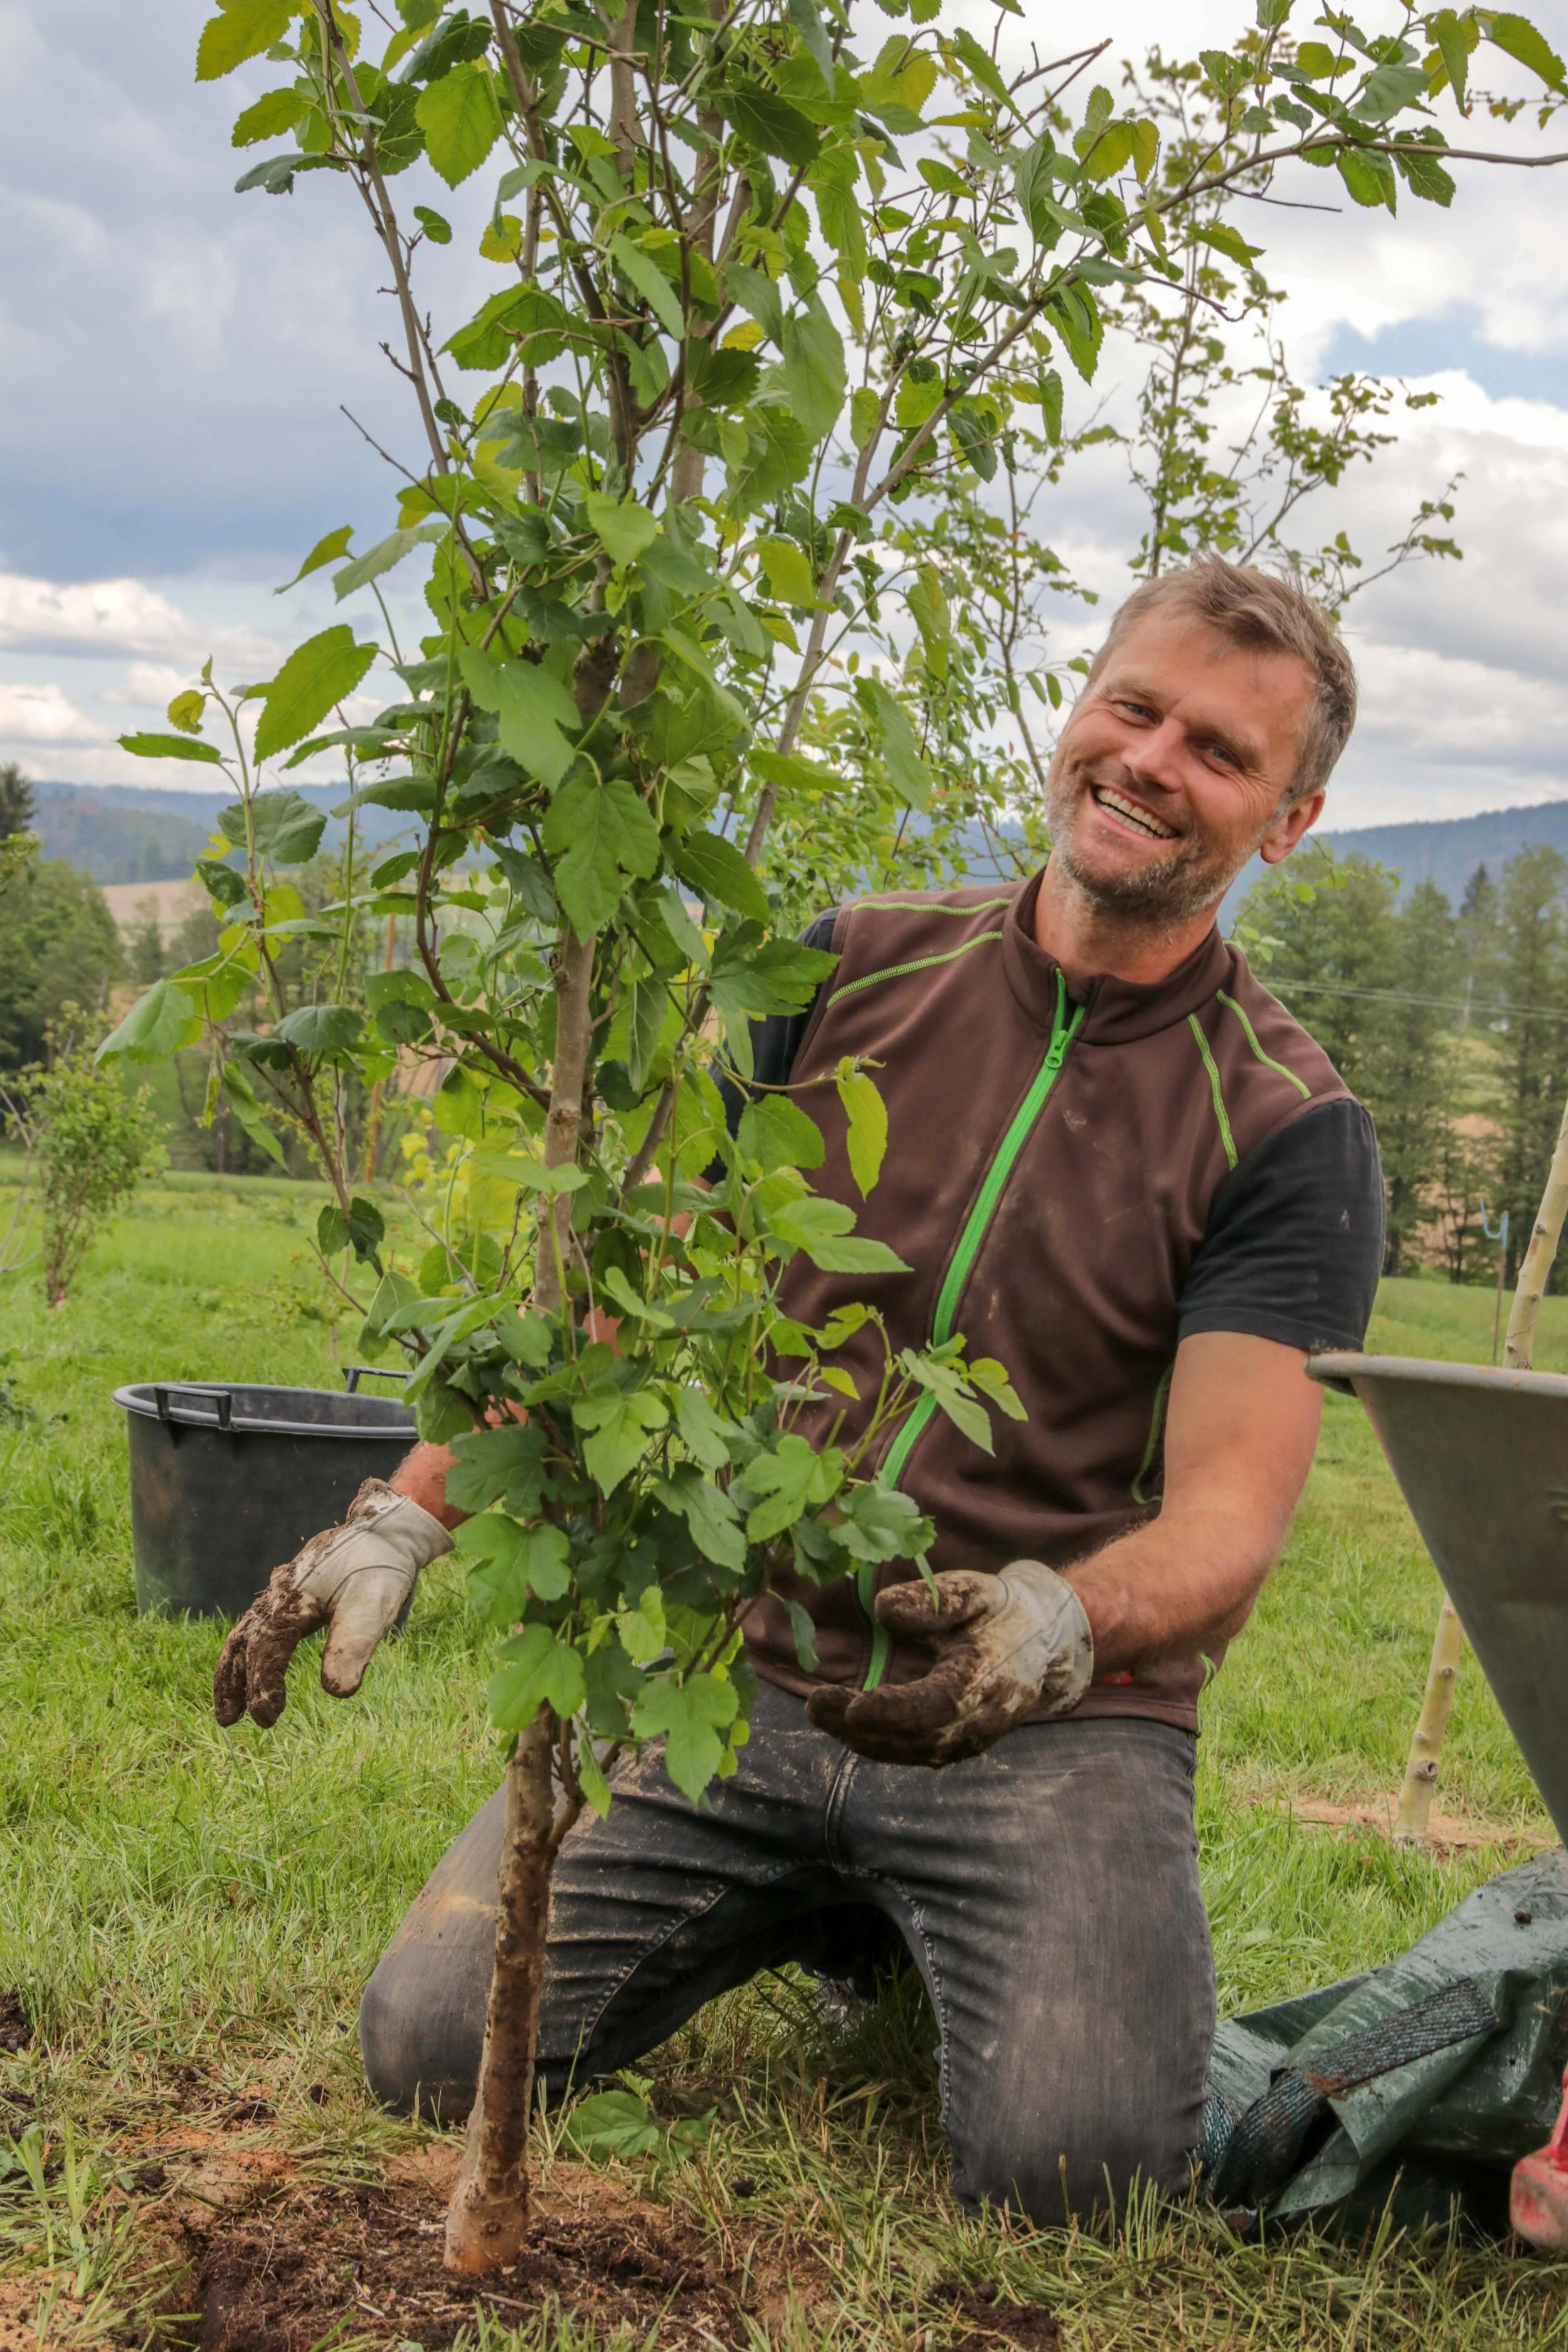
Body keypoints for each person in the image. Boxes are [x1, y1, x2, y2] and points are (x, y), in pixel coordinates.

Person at [213, 557, 1385, 2220]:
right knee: (429, 2043)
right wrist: (405, 1514)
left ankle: (924, 1918)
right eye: (1132, 707)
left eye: (1218, 750)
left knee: (1076, 2173)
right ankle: (837, 1902)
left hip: (1047, 1725)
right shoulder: (846, 968)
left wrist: (1057, 1617)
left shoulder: (1285, 1124)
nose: (1149, 760)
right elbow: (627, 1315)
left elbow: (1229, 1515)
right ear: (1080, 708)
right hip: (746, 1669)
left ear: (1288, 820)